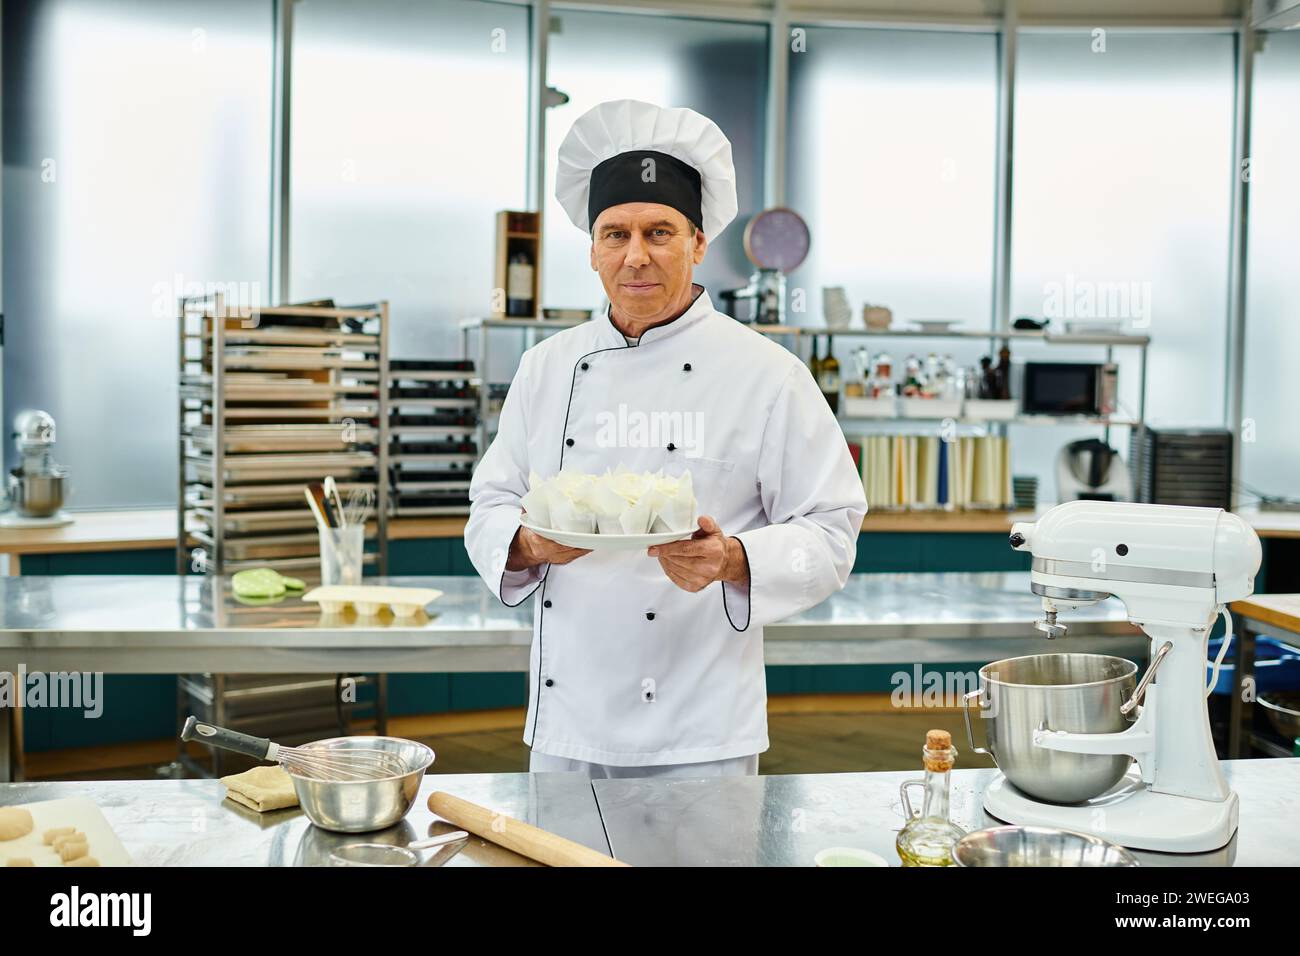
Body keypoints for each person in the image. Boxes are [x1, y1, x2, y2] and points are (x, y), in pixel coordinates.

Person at [466, 99, 867, 779]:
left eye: (660, 232)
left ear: (698, 243)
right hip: (570, 725)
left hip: (701, 728)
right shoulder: (548, 366)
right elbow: (492, 502)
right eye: (615, 233)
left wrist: (735, 558)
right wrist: (526, 544)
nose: (636, 256)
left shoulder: (767, 374)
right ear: (593, 248)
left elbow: (832, 530)